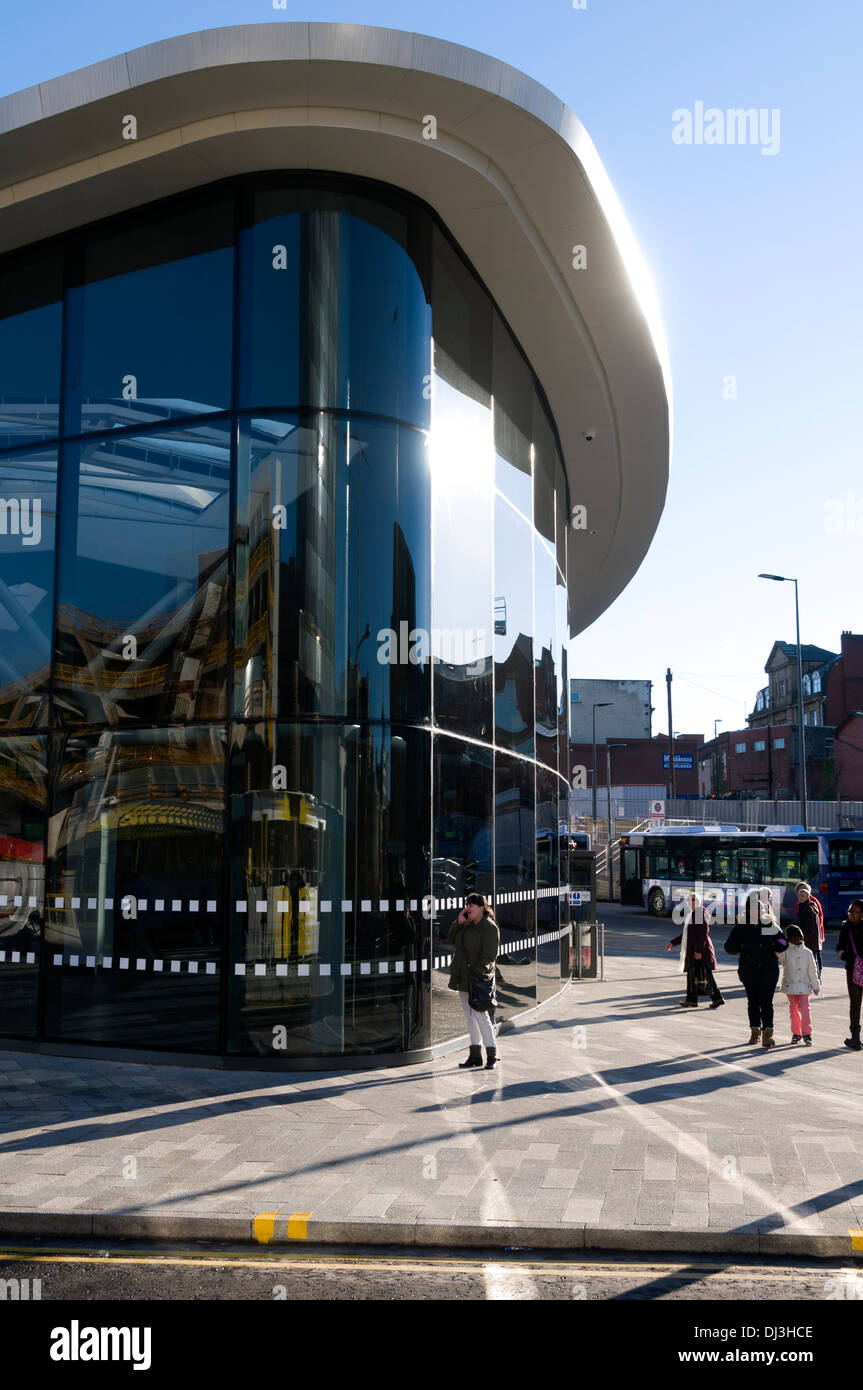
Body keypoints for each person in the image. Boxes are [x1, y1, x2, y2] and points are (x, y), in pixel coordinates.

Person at [724, 888, 788, 1048]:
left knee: (766, 1001)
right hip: (749, 969)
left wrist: (775, 944)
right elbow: (728, 947)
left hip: (768, 969)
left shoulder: (770, 924)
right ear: (747, 910)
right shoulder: (741, 927)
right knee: (753, 1001)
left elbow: (783, 943)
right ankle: (755, 1032)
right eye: (754, 908)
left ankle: (767, 1034)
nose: (758, 911)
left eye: (760, 909)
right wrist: (740, 945)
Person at [448, 892, 500, 1070]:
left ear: (481, 907)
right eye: (466, 904)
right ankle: (475, 1055)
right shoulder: (467, 925)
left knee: (480, 1015)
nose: (467, 908)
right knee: (470, 1017)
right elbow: (451, 940)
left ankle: (491, 1054)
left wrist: (475, 973)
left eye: (471, 905)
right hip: (463, 979)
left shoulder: (489, 927)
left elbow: (489, 956)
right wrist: (459, 923)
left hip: (478, 979)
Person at [665, 891, 724, 1008]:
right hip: (696, 951)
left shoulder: (698, 914)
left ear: (698, 902)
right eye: (689, 900)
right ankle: (698, 999)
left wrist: (698, 951)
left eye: (694, 900)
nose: (691, 902)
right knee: (696, 975)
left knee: (703, 975)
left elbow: (702, 934)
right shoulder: (693, 915)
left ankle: (710, 998)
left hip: (701, 952)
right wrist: (673, 942)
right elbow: (686, 935)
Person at [779, 924, 821, 1045]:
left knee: (805, 1010)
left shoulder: (807, 953)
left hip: (804, 987)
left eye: (799, 937)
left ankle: (807, 1034)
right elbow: (779, 956)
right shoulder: (786, 952)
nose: (797, 940)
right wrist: (780, 941)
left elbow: (812, 970)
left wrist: (815, 985)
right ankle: (796, 1033)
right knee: (793, 1012)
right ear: (789, 939)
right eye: (793, 938)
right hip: (791, 987)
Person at [836, 898, 863, 1052]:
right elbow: (839, 947)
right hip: (852, 970)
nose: (851, 914)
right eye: (850, 911)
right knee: (855, 1003)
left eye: (855, 912)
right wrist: (846, 957)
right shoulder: (846, 928)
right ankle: (855, 1038)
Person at [795, 882, 825, 975]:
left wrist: (804, 939)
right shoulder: (801, 903)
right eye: (799, 894)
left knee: (815, 961)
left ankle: (816, 981)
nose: (800, 896)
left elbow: (817, 921)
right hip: (811, 938)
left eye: (802, 894)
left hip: (812, 938)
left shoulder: (810, 905)